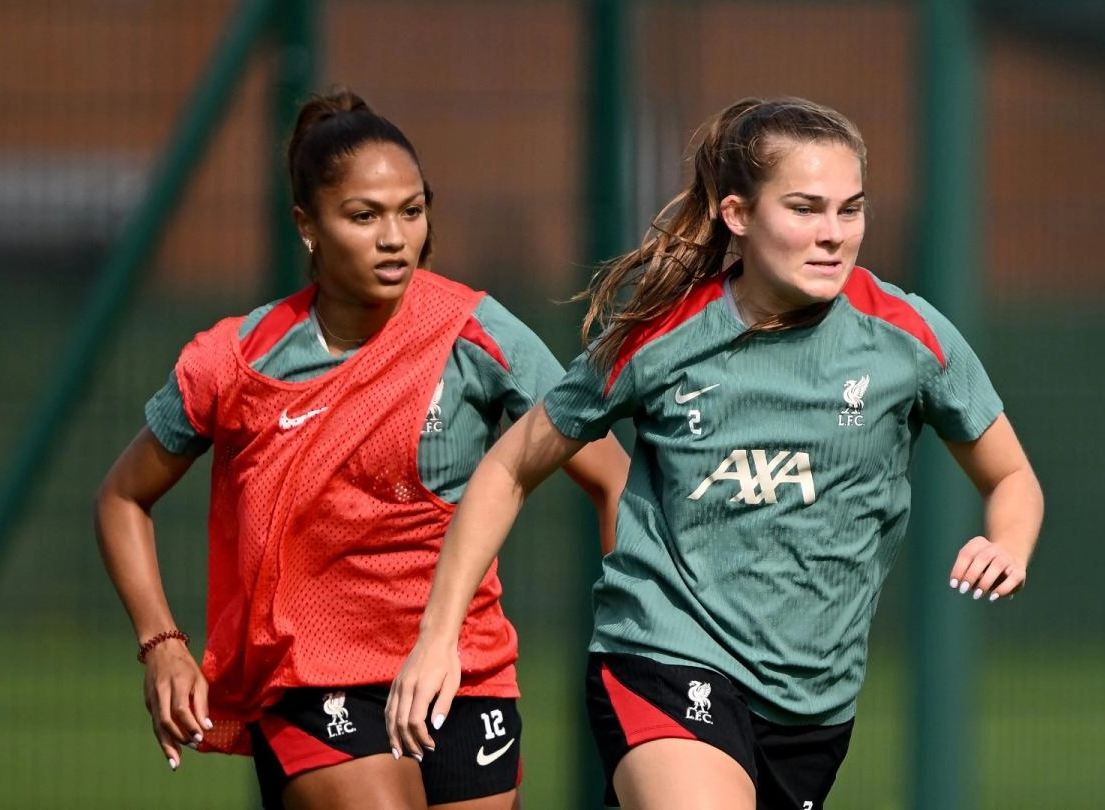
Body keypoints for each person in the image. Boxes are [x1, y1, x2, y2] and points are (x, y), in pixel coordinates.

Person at [385, 96, 1044, 810]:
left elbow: (1011, 476)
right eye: (804, 208)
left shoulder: (908, 335)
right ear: (738, 214)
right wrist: (438, 637)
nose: (833, 235)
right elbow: (510, 467)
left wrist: (1009, 541)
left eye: (849, 210)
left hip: (811, 704)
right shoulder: (663, 338)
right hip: (663, 655)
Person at [94, 87, 629, 810]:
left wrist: (632, 652)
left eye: (411, 211)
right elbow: (123, 497)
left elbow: (611, 476)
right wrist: (161, 644)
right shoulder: (237, 360)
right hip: (312, 676)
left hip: (459, 670)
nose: (394, 237)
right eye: (364, 216)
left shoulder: (475, 332)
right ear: (306, 226)